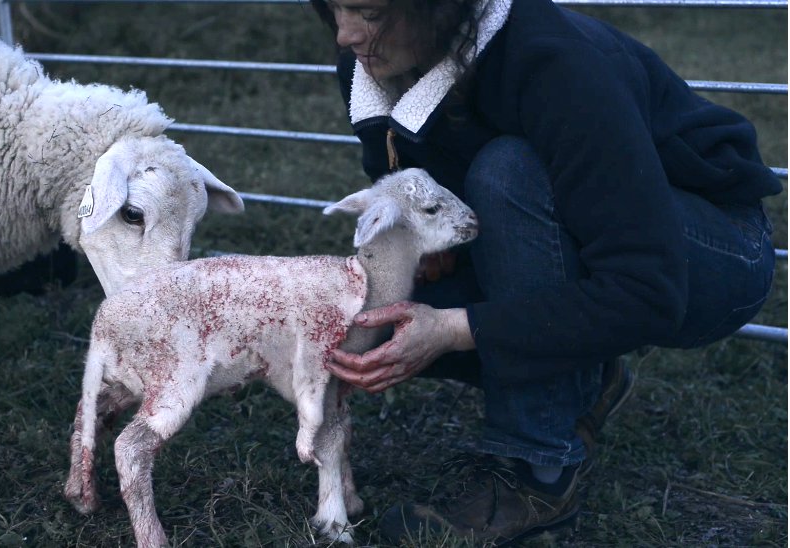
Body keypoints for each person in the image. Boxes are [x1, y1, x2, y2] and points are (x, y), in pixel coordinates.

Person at [308, 0, 781, 543]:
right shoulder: (373, 64)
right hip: (562, 234)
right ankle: (584, 377)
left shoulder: (555, 64)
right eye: (335, 9)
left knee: (509, 172)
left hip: (707, 252)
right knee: (376, 324)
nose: (345, 35)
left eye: (368, 11)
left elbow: (648, 289)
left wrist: (455, 328)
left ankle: (538, 472)